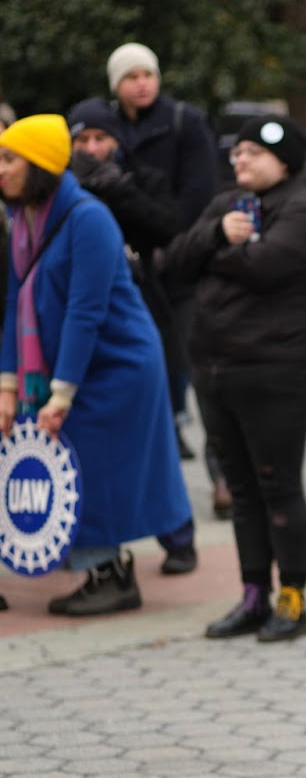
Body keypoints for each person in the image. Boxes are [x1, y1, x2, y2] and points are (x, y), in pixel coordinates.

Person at [0, 115, 191, 616]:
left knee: (93, 466)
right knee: (80, 461)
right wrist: (8, 384)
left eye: (9, 159)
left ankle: (109, 576)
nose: (0, 169)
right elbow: (15, 302)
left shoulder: (89, 219)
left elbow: (86, 312)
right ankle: (104, 569)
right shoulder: (25, 219)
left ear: (40, 164)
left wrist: (61, 393)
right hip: (71, 362)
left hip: (116, 364)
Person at [165, 116, 306, 642]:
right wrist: (218, 237)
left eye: (254, 153)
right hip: (216, 369)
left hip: (275, 372)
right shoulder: (226, 206)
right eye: (238, 153)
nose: (241, 161)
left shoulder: (304, 211)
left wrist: (217, 257)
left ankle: (293, 599)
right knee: (241, 491)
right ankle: (254, 594)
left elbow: (265, 266)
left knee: (278, 486)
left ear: (284, 161)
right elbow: (174, 261)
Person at [66, 98, 211, 571]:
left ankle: (178, 536)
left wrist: (117, 190)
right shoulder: (62, 193)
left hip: (142, 316)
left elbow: (170, 227)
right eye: (83, 140)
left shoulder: (140, 180)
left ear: (117, 141)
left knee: (156, 434)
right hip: (81, 326)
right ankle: (86, 545)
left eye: (101, 139)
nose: (92, 149)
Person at [105, 42, 219, 461]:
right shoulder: (108, 127)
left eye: (148, 75)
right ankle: (160, 425)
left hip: (179, 258)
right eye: (131, 77)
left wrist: (175, 246)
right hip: (130, 261)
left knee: (183, 351)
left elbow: (199, 193)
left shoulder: (184, 122)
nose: (142, 84)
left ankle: (182, 425)